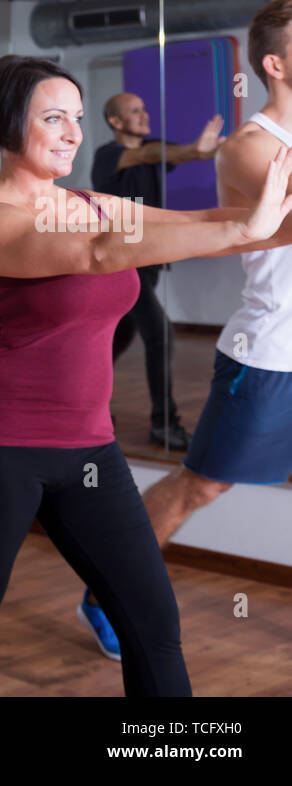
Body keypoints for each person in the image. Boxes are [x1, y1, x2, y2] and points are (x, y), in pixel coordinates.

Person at [0, 55, 292, 697]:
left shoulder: (90, 202)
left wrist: (259, 226)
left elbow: (199, 226)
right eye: (53, 117)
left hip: (89, 452)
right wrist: (243, 226)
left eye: (78, 119)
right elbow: (99, 252)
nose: (71, 133)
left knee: (152, 620)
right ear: (9, 122)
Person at [138, 0, 292, 612]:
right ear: (275, 63)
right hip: (271, 355)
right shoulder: (248, 148)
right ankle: (108, 595)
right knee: (201, 486)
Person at [92, 92, 225, 451]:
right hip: (122, 263)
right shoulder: (108, 155)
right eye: (134, 111)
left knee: (112, 341)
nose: (144, 114)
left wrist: (203, 150)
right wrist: (194, 149)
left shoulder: (154, 148)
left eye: (144, 108)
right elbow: (151, 154)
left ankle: (84, 407)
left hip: (148, 262)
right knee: (160, 335)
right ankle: (163, 423)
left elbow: (171, 152)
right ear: (116, 122)